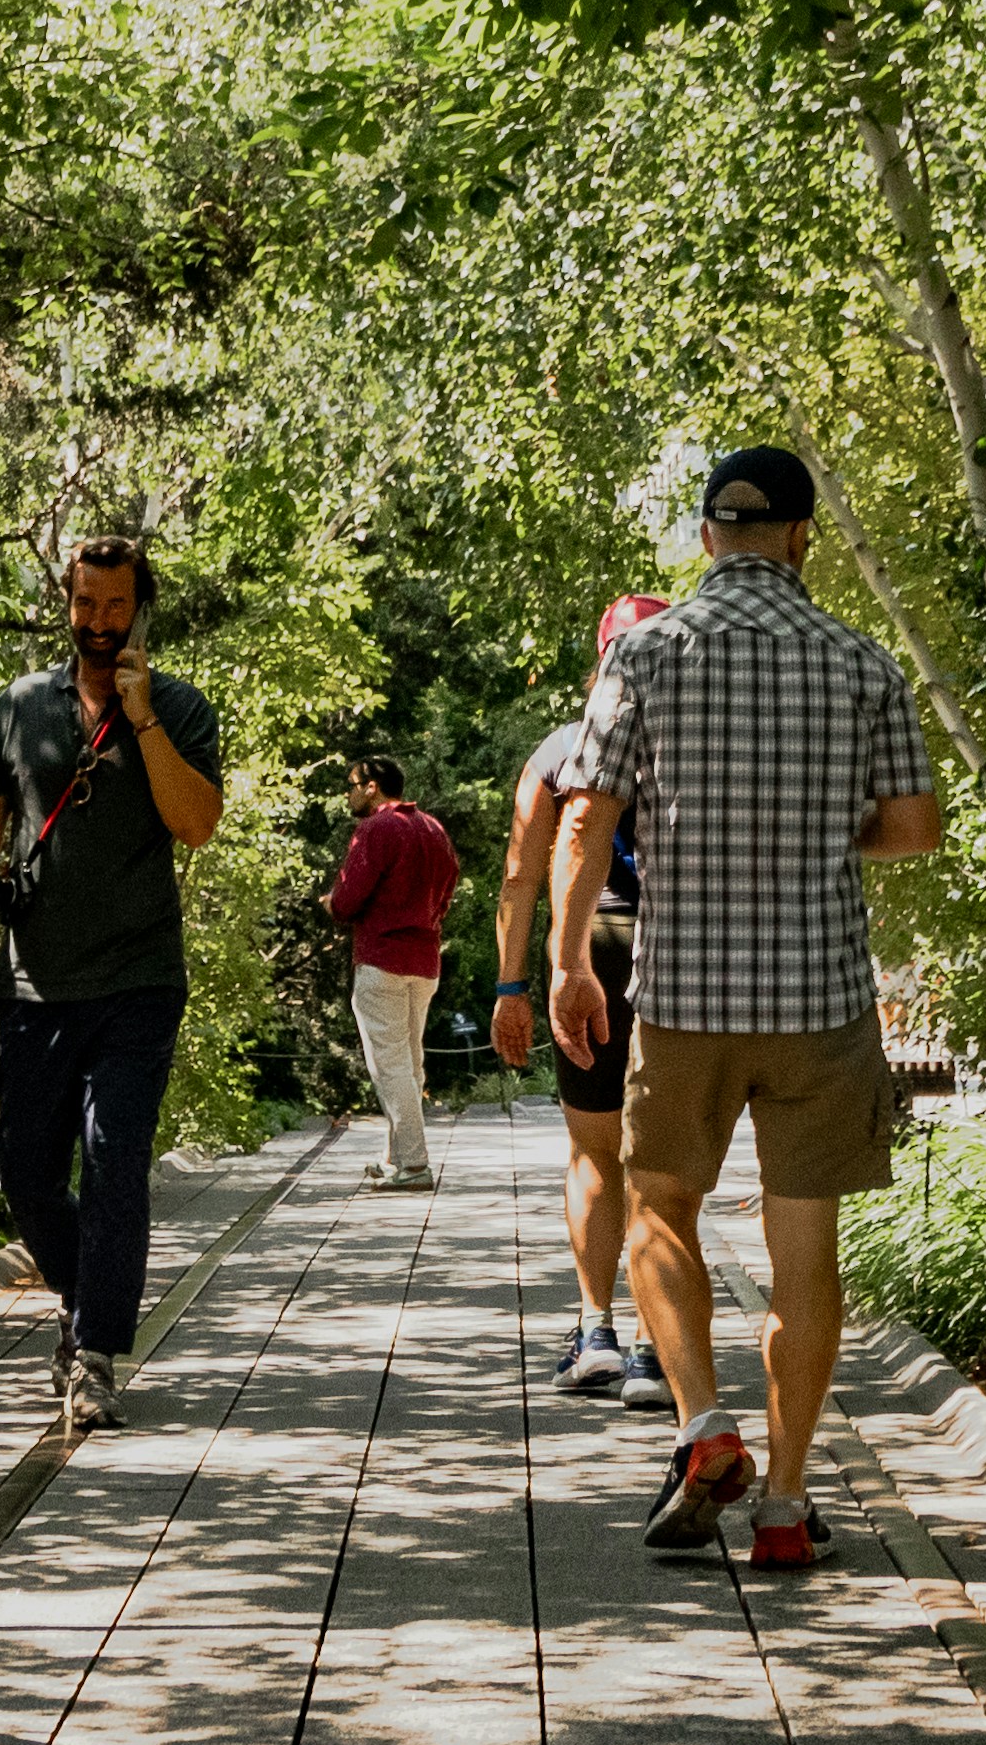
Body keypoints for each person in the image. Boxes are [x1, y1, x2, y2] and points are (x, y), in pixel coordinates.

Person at [548, 451, 940, 1568]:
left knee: (657, 1209)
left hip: (681, 996)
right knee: (803, 1248)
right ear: (802, 534)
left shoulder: (645, 650)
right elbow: (914, 828)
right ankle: (783, 1501)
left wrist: (572, 960)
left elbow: (583, 820)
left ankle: (702, 1427)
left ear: (709, 534)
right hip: (819, 999)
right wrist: (821, 837)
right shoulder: (860, 662)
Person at [0, 541, 225, 1432]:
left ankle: (91, 1353)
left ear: (139, 611)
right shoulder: (20, 708)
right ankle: (91, 1292)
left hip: (139, 980)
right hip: (35, 983)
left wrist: (142, 718)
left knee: (116, 1159)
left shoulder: (181, 708)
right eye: (84, 603)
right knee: (24, 1170)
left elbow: (195, 824)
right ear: (68, 602)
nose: (96, 622)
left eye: (114, 606)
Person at [491, 597, 671, 1405]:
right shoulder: (698, 743)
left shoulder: (561, 750)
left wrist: (512, 987)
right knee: (662, 1164)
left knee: (595, 1154)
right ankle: (652, 1348)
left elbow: (521, 878)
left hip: (591, 945)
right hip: (678, 959)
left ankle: (595, 1328)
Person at [320, 756, 465, 1188]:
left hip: (382, 957)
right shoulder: (433, 829)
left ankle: (415, 1165)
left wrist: (331, 903)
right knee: (410, 1061)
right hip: (424, 960)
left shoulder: (376, 828)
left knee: (389, 1066)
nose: (348, 793)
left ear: (372, 787)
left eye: (352, 785)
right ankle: (397, 1156)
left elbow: (348, 900)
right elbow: (449, 885)